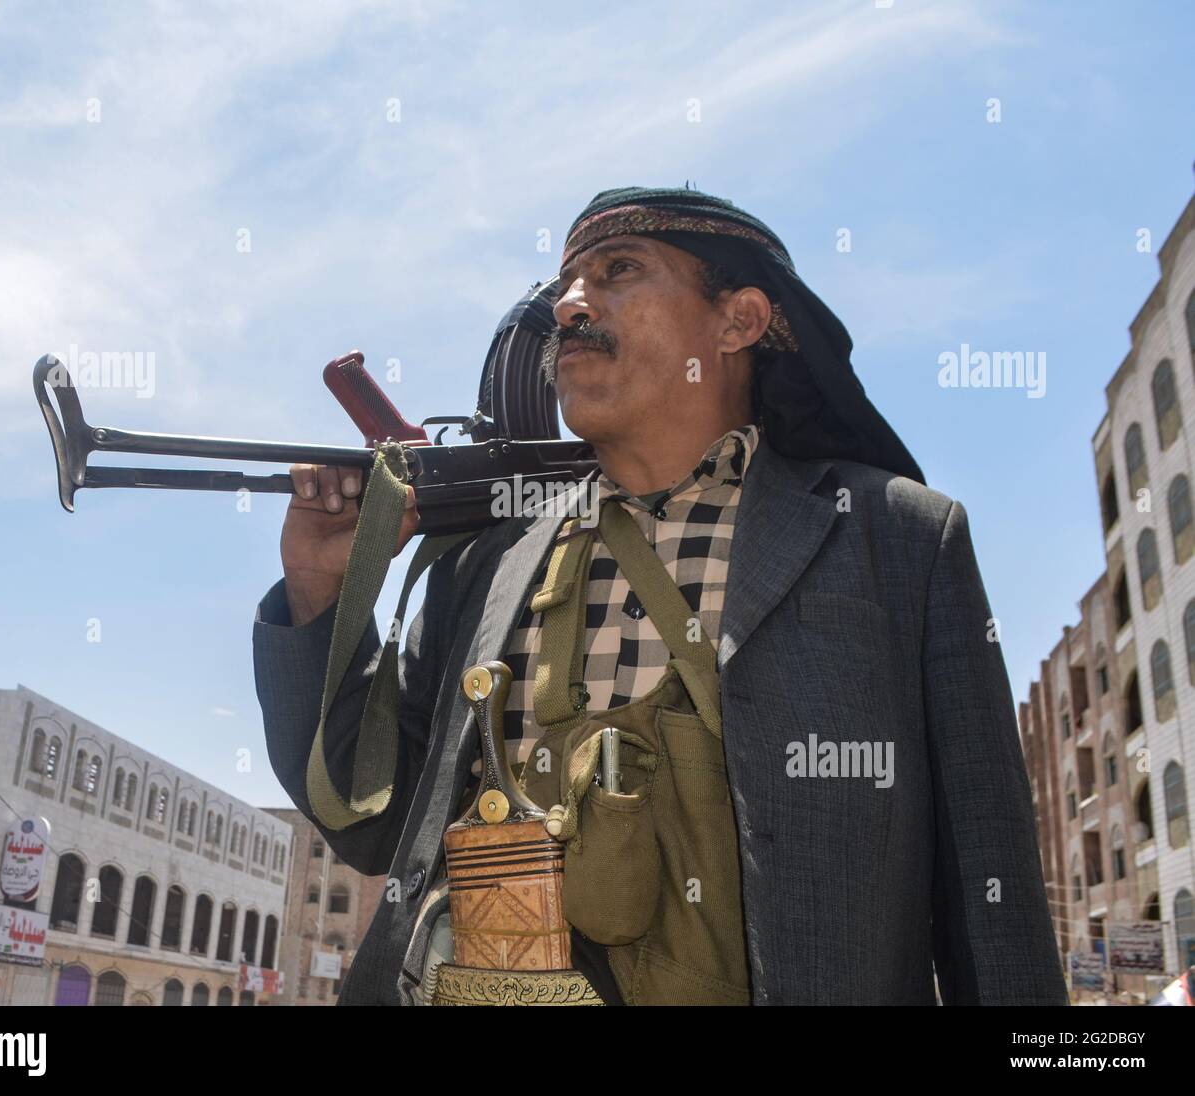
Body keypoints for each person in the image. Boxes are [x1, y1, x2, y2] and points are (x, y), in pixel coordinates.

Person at [253, 185, 1067, 1006]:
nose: (570, 305)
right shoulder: (489, 561)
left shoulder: (894, 538)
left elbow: (989, 890)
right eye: (567, 283)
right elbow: (371, 821)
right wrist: (320, 589)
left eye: (619, 270)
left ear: (739, 320)